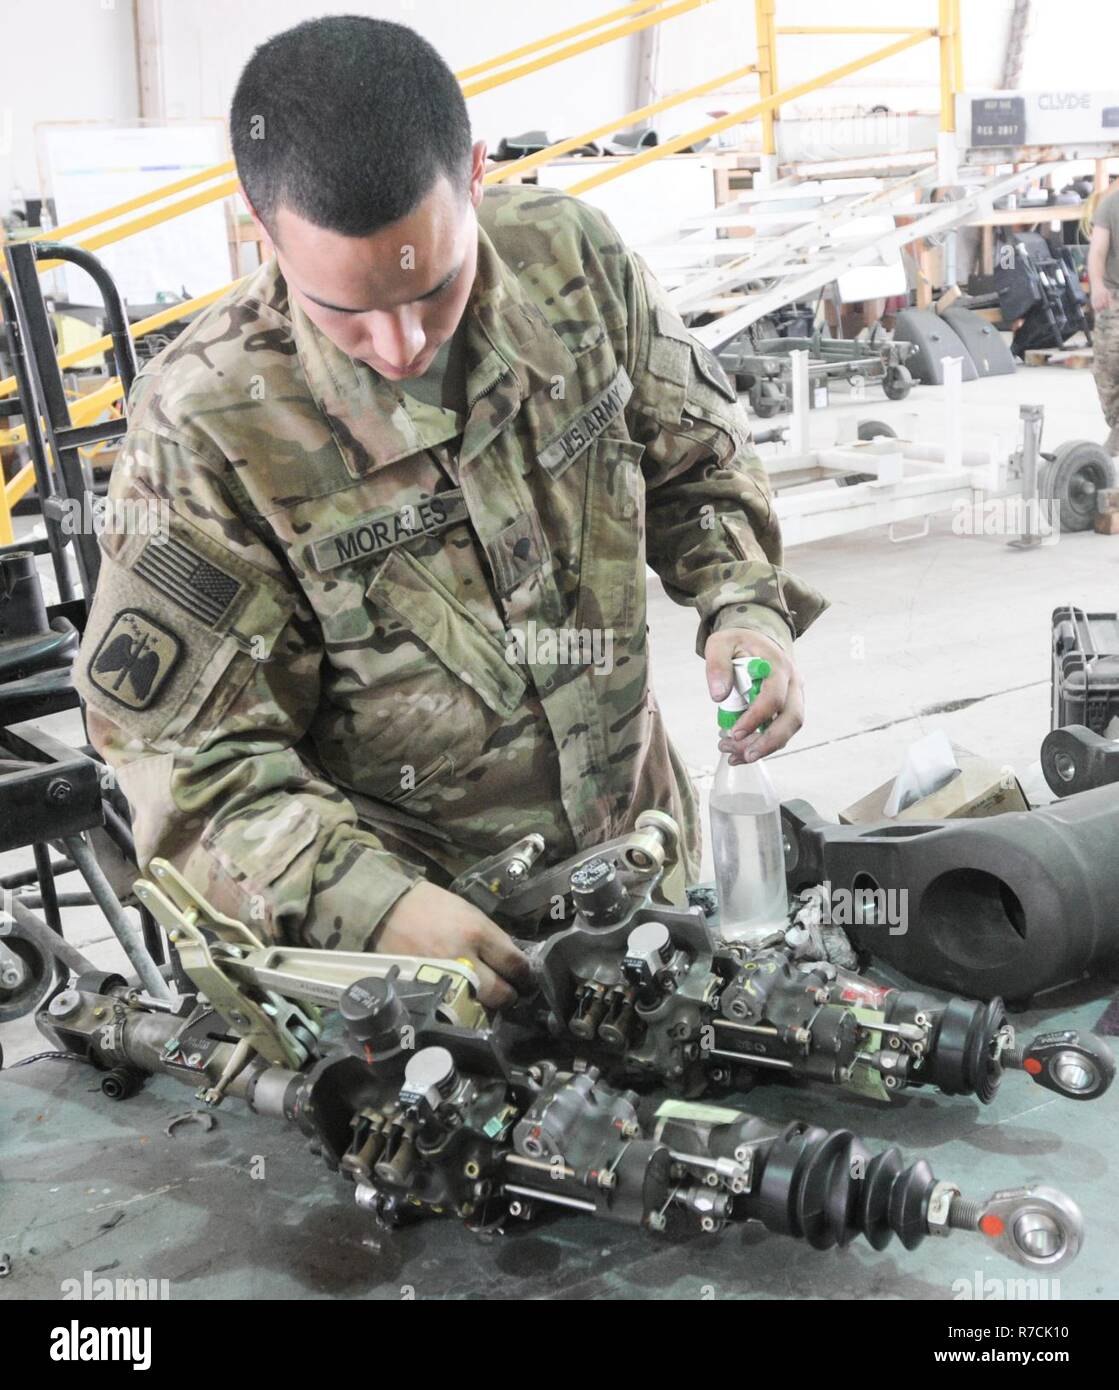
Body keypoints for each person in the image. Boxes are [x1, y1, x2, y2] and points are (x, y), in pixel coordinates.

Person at [76, 16, 826, 1007]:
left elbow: (699, 453)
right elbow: (185, 760)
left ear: (474, 173)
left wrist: (743, 600)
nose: (399, 345)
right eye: (345, 310)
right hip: (422, 975)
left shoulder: (576, 266)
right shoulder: (207, 427)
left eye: (434, 290)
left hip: (644, 880)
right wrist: (371, 903)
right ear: (261, 232)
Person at [1088, 181, 1119, 457]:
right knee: (1106, 369)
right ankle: (1118, 427)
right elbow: (1097, 250)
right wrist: (1097, 286)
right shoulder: (1111, 204)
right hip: (1115, 298)